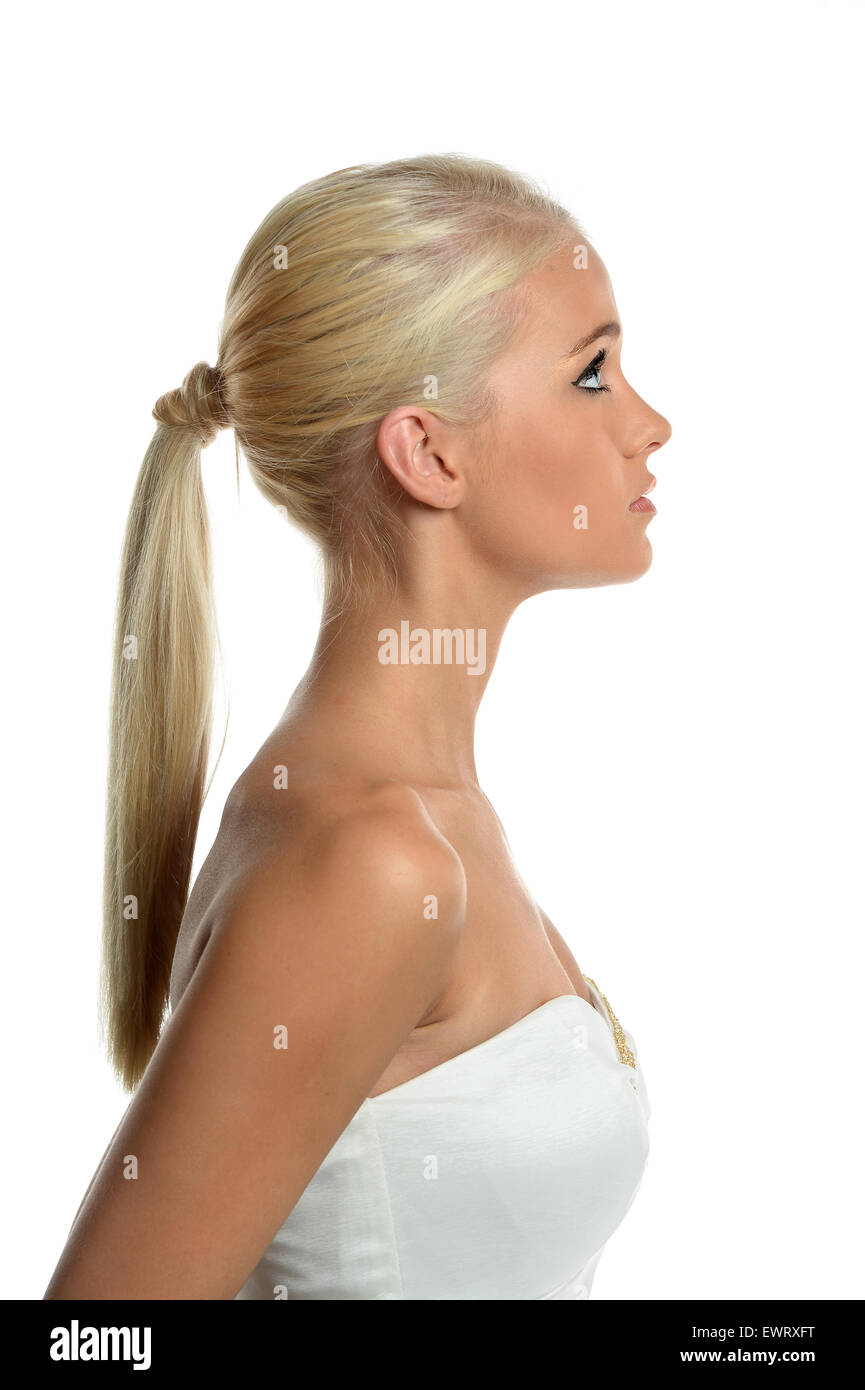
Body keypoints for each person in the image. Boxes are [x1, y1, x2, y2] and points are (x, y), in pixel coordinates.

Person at [44, 153, 672, 1300]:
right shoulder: (370, 859)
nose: (651, 423)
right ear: (429, 453)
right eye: (593, 374)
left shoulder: (434, 816)